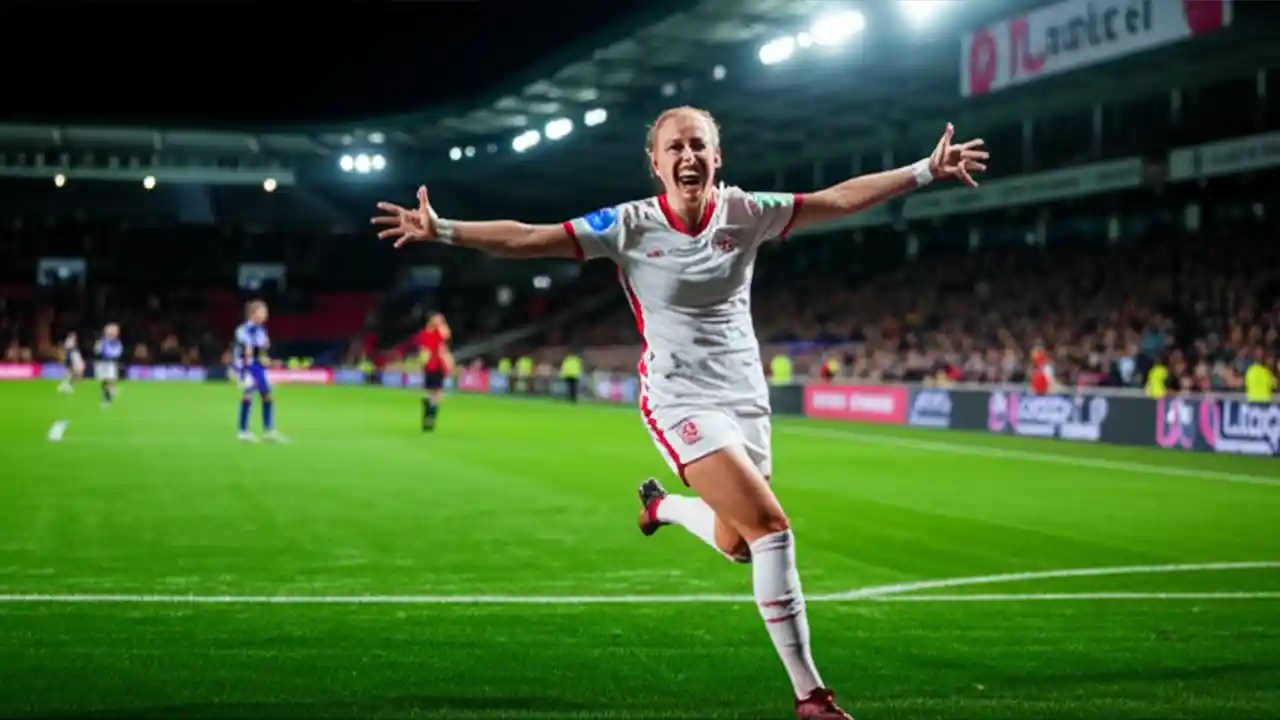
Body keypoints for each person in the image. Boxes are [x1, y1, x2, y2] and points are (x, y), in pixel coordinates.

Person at [370, 106, 986, 719]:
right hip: (678, 397)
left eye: (699, 146)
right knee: (771, 529)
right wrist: (443, 229)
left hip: (744, 398)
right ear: (656, 163)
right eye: (675, 148)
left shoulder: (746, 211)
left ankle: (660, 506)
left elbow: (839, 198)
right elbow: (529, 237)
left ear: (717, 156)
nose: (688, 156)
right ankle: (813, 697)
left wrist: (923, 172)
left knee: (739, 544)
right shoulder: (628, 225)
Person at [234, 300, 283, 442]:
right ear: (253, 313)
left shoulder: (262, 331)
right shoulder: (242, 330)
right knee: (247, 395)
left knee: (267, 396)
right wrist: (244, 368)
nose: (265, 315)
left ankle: (268, 430)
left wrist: (269, 362)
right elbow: (247, 351)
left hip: (258, 367)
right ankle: (243, 431)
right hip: (247, 367)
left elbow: (261, 353)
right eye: (262, 312)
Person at [417, 312, 453, 431]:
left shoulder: (425, 333)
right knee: (437, 394)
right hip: (436, 366)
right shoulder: (437, 333)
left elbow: (424, 350)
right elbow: (446, 336)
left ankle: (427, 415)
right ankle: (430, 417)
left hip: (432, 366)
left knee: (432, 393)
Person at [93, 324, 124, 407]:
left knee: (111, 378)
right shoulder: (102, 341)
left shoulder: (116, 342)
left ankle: (109, 393)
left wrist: (109, 354)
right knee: (104, 380)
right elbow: (96, 351)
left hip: (111, 363)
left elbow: (118, 352)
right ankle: (106, 396)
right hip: (102, 363)